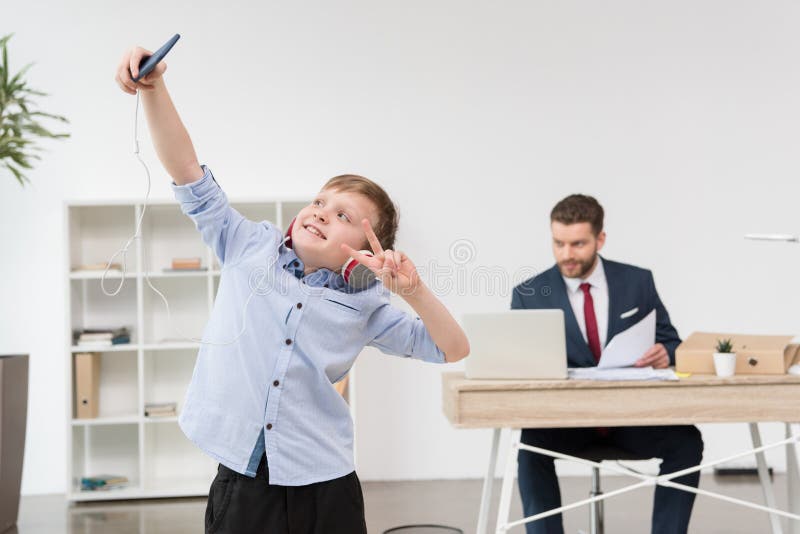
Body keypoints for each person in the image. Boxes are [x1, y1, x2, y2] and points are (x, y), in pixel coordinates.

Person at [115, 46, 470, 534]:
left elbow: (452, 348)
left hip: (326, 478)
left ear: (368, 248)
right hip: (243, 477)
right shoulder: (246, 245)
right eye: (320, 201)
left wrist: (414, 292)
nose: (321, 212)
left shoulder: (367, 304)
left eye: (344, 215)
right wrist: (154, 89)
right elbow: (187, 169)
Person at [510, 194, 703, 534]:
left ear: (600, 239)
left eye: (578, 244)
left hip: (631, 419)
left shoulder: (637, 282)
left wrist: (665, 352)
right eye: (558, 243)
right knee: (529, 447)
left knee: (687, 442)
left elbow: (672, 342)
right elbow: (520, 362)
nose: (567, 254)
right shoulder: (529, 293)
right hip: (567, 423)